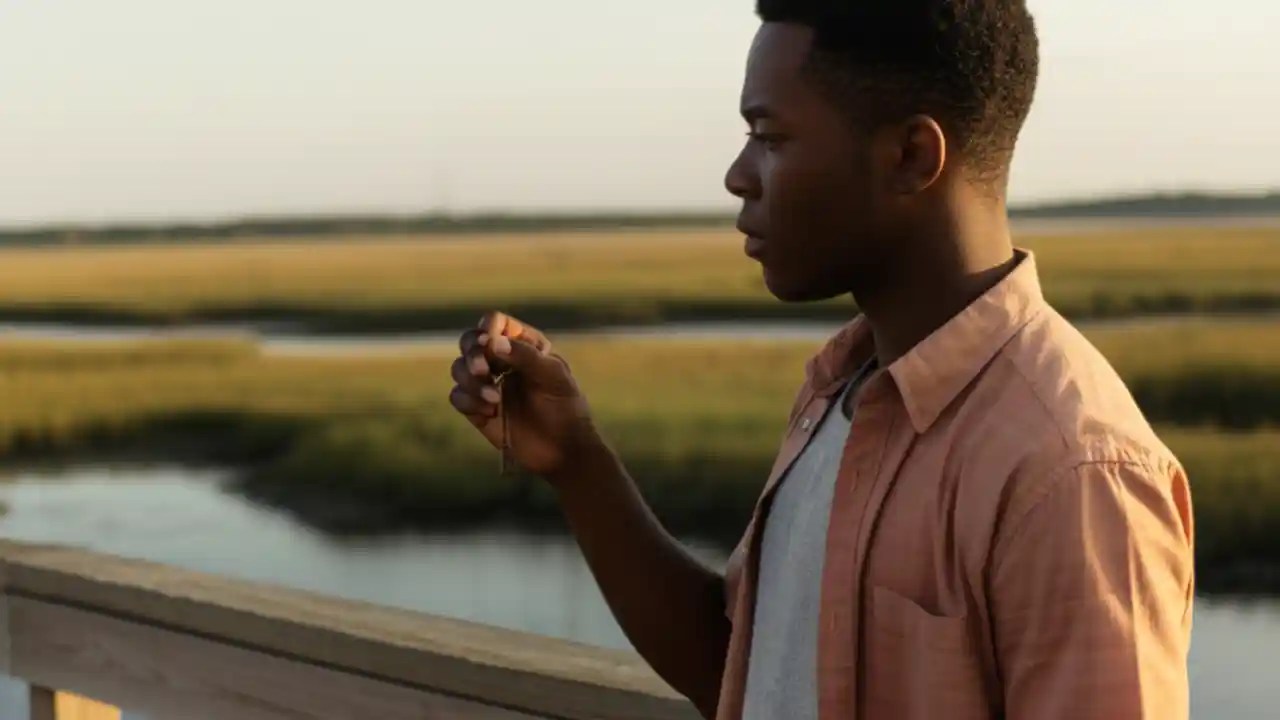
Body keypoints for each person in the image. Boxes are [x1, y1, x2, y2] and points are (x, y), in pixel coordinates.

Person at [448, 1, 1195, 718]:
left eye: (770, 137)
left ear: (910, 156)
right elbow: (740, 668)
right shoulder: (842, 392)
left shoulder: (1073, 476)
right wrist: (577, 461)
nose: (738, 176)